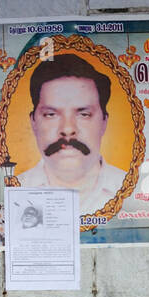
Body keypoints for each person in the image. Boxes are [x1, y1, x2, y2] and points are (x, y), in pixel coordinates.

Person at [17, 53, 128, 219]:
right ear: (33, 121)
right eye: (51, 114)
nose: (68, 129)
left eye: (83, 114)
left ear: (104, 121)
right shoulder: (13, 192)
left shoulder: (132, 189)